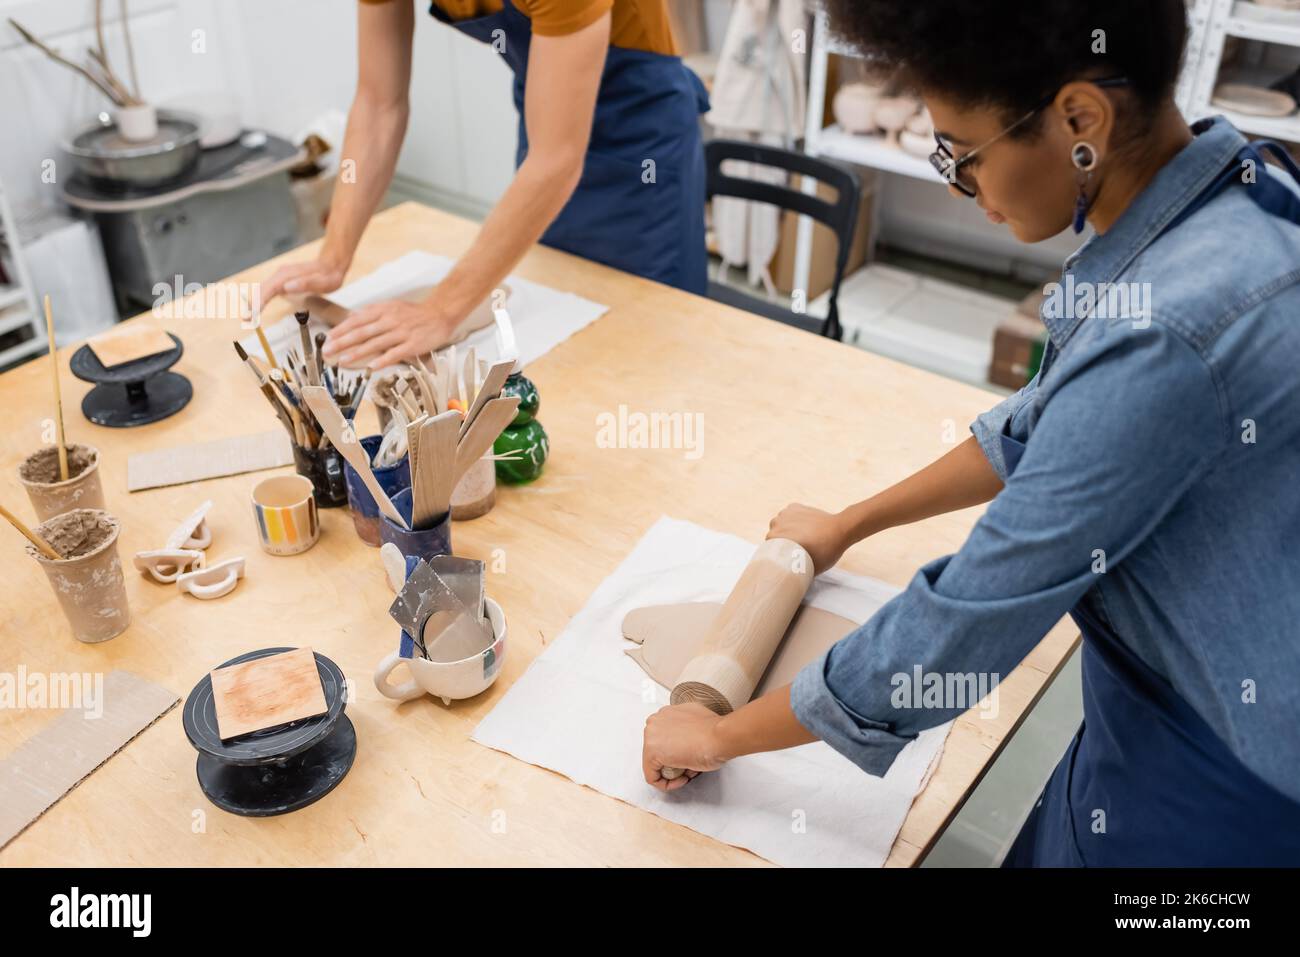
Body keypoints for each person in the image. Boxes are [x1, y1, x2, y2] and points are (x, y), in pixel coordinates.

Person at [641, 0, 1300, 866]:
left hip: (1222, 787)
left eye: (965, 155)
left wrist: (720, 736)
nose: (968, 187)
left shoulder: (1171, 331)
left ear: (1080, 119)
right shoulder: (1224, 187)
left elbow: (970, 616)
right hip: (1156, 714)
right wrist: (848, 523)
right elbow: (1041, 425)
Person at [262, 0, 708, 368]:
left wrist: (441, 312)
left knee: (646, 347)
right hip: (547, 115)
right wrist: (335, 254)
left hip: (640, 140)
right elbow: (379, 103)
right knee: (562, 333)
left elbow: (556, 161)